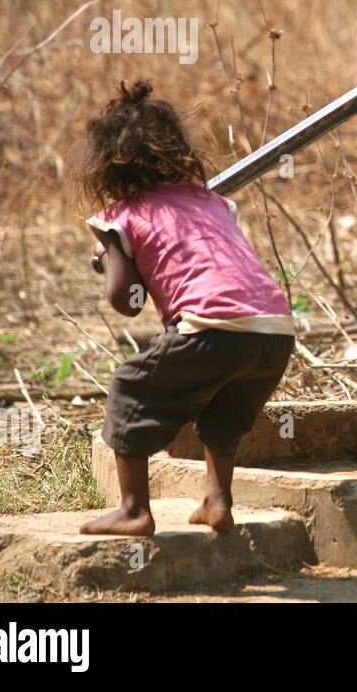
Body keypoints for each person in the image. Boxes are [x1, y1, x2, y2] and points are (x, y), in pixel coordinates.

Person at [74, 80, 294, 535]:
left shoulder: (121, 216)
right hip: (274, 331)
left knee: (129, 387)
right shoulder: (212, 202)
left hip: (211, 328)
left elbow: (126, 302)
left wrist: (111, 252)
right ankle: (217, 500)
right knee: (223, 414)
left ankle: (134, 510)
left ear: (105, 167)